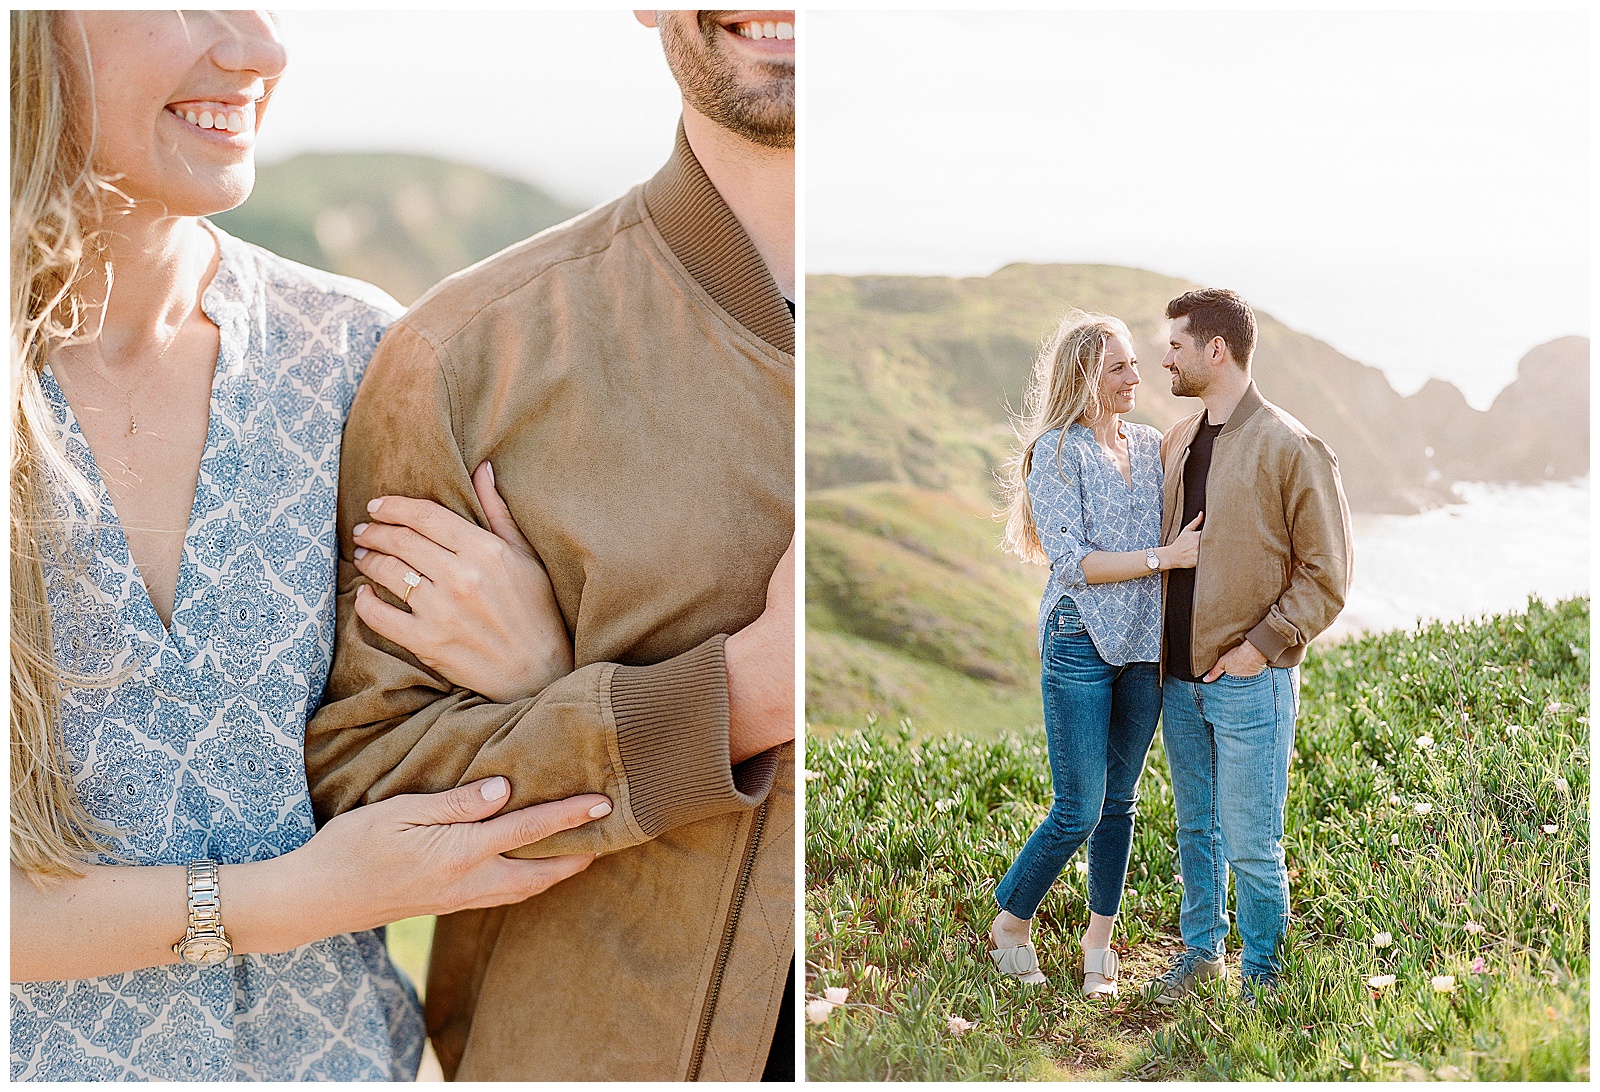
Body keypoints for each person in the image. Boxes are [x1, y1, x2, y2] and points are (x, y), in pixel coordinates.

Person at [8, 11, 611, 1080]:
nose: (259, 50)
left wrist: (538, 671)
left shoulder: (354, 352)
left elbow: (457, 761)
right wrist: (300, 900)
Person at [303, 9, 797, 1082]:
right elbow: (364, 793)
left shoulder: (1035, 377)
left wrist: (560, 684)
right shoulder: (470, 355)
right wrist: (745, 693)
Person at [1144, 288, 1352, 1005]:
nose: (1163, 357)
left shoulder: (1291, 446)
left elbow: (1327, 575)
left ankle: (1263, 983)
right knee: (1195, 833)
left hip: (1247, 682)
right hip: (1177, 682)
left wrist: (1259, 648)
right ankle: (1201, 960)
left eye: (1174, 344)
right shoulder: (1176, 441)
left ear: (1216, 349)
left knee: (1254, 845)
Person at [987, 311, 1202, 998]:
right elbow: (1073, 563)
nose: (1136, 376)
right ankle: (1010, 923)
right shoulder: (1055, 452)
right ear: (1084, 376)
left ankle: (1098, 942)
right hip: (1079, 638)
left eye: (1136, 363)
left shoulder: (1148, 442)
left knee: (1121, 803)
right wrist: (1164, 559)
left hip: (1143, 646)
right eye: (1119, 367)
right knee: (1078, 807)